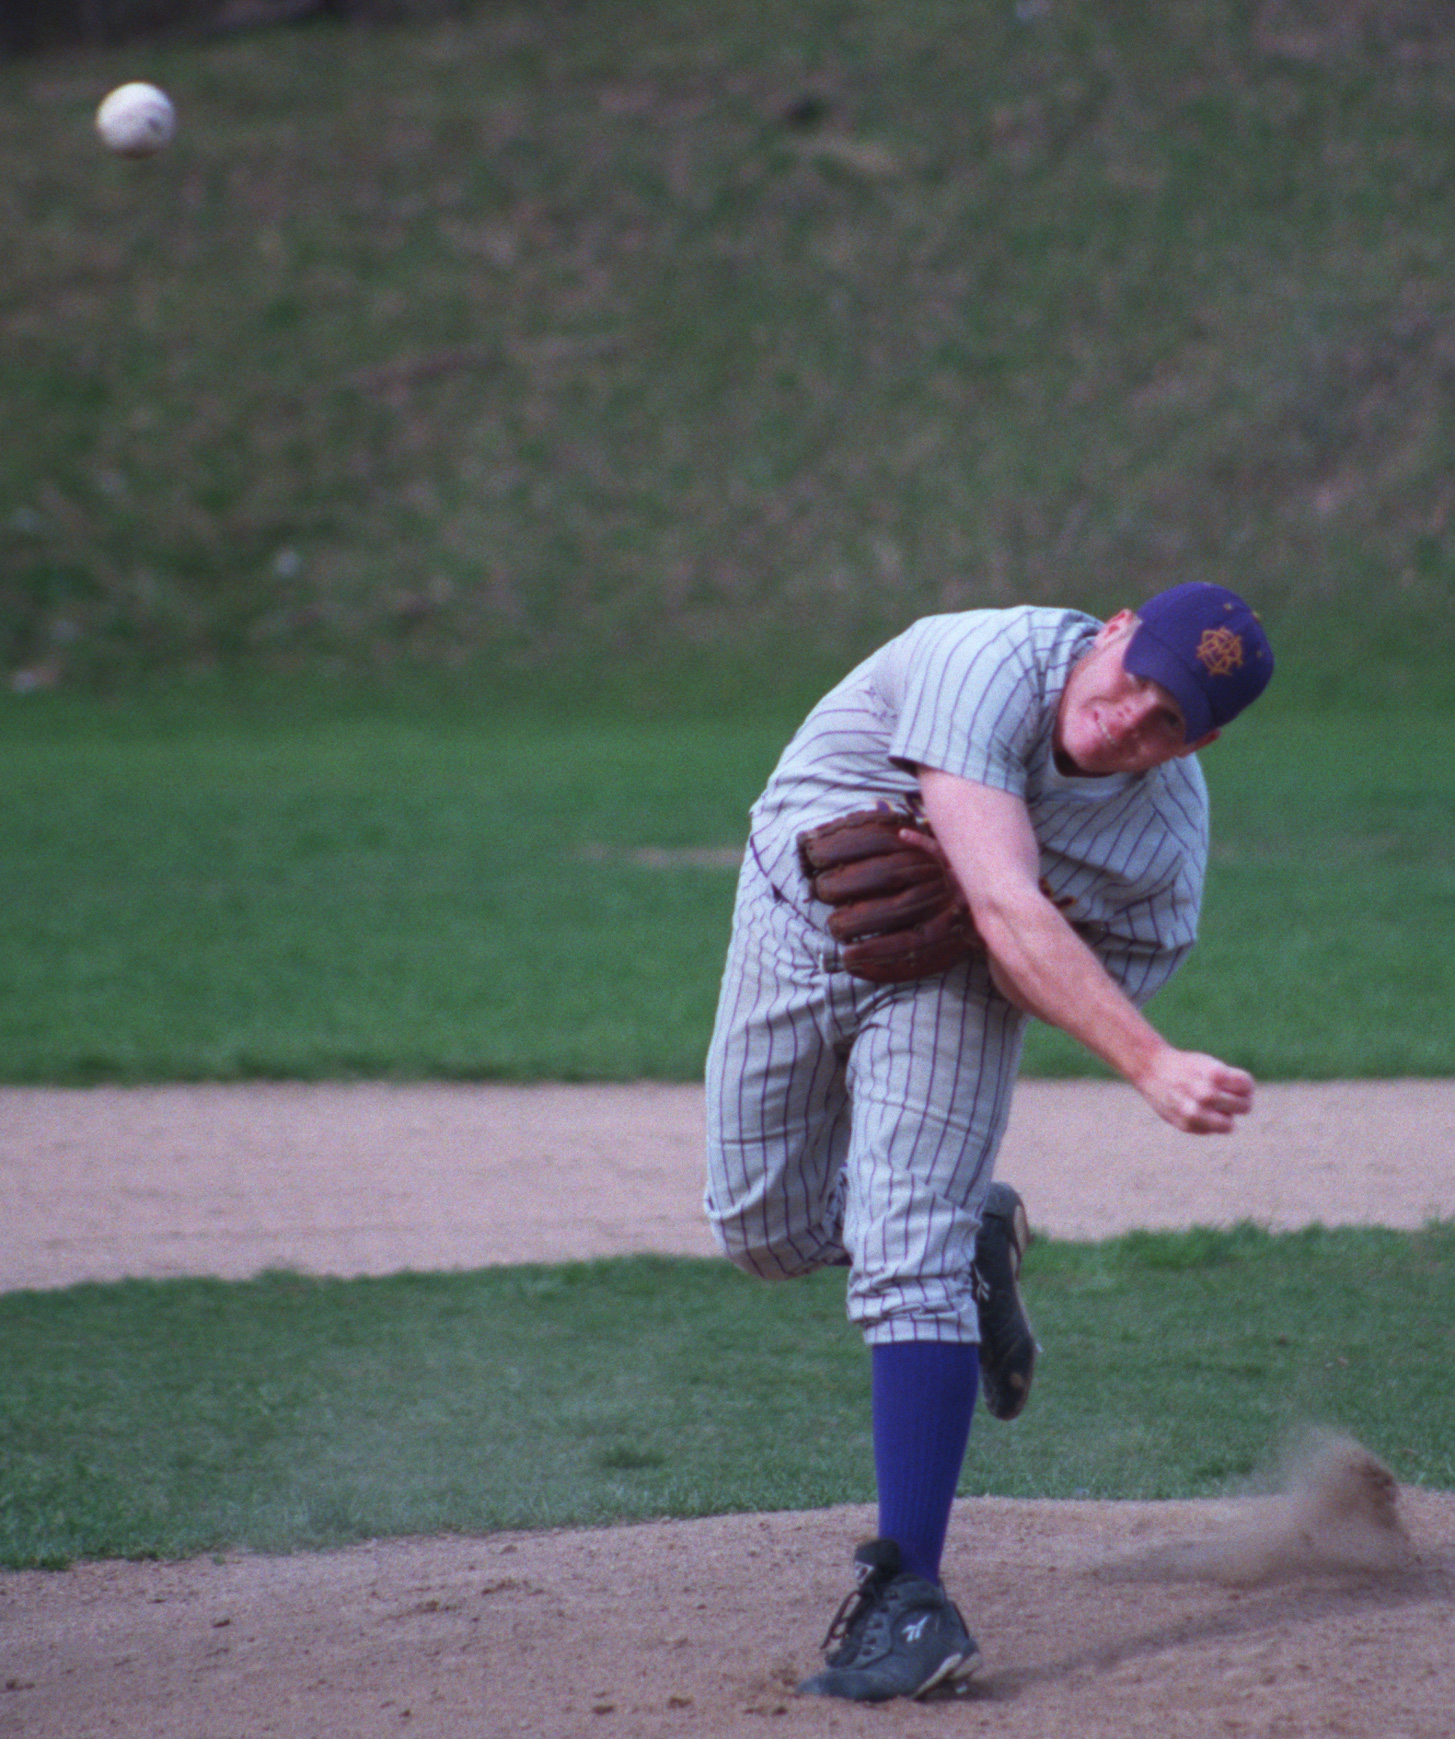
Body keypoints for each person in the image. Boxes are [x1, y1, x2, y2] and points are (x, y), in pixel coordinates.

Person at [704, 581, 1274, 1702]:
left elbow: (1020, 940)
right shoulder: (988, 657)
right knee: (759, 1232)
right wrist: (1152, 1063)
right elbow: (1009, 893)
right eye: (1135, 676)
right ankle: (977, 1236)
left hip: (958, 988)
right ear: (1111, 629)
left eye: (1170, 718)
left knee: (901, 1245)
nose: (1131, 716)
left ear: (1198, 741)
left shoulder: (1158, 855)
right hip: (790, 905)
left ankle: (907, 1593)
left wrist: (1117, 1031)